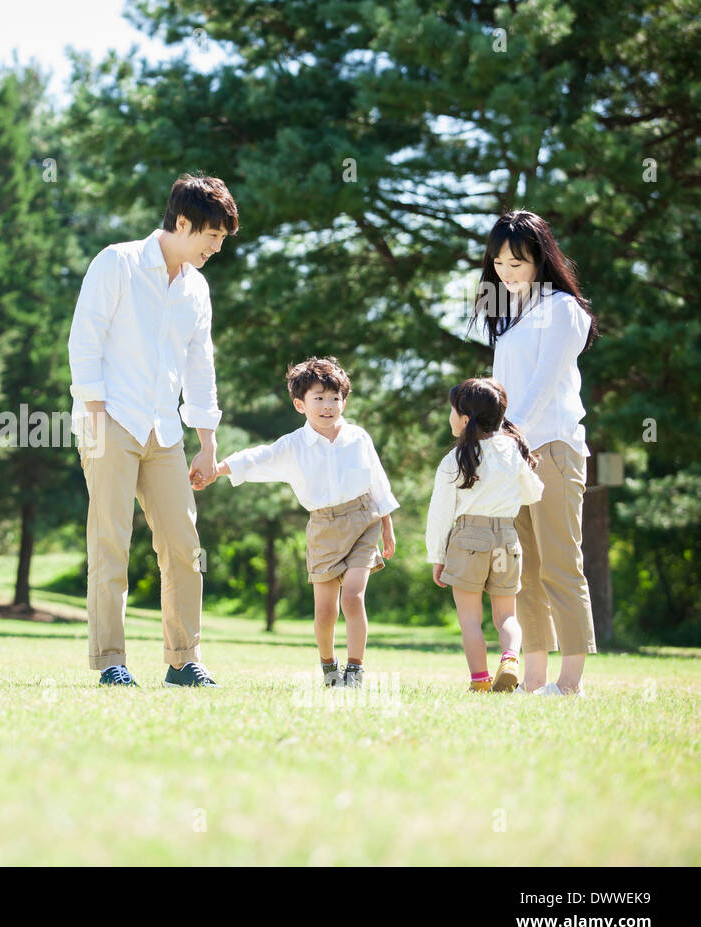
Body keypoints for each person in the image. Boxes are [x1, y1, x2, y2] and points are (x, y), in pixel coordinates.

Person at [67, 173, 238, 687]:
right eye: (212, 236)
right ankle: (111, 661)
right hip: (109, 420)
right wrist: (94, 412)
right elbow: (85, 338)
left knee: (184, 546)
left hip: (164, 431)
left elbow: (200, 366)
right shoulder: (116, 263)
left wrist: (207, 442)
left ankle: (183, 661)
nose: (216, 248)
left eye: (222, 239)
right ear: (183, 222)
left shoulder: (196, 288)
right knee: (111, 543)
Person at [196, 357, 397, 689]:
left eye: (335, 398)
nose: (328, 405)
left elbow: (378, 482)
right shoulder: (293, 445)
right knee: (325, 611)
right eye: (319, 398)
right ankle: (329, 666)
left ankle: (355, 670)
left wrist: (387, 527)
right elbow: (258, 457)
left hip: (364, 521)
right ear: (300, 404)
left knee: (352, 597)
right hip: (323, 528)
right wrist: (217, 470)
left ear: (344, 402)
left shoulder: (358, 438)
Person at [469, 210, 600, 696]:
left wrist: (511, 433)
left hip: (553, 449)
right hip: (513, 453)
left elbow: (545, 381)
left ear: (541, 259)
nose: (506, 273)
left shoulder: (564, 309)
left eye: (517, 263)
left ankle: (570, 683)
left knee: (561, 564)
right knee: (522, 570)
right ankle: (535, 680)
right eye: (499, 263)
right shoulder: (508, 313)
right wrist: (493, 438)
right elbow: (504, 387)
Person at [426, 378, 544, 692]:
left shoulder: (455, 460)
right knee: (506, 615)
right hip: (506, 540)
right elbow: (534, 493)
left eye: (453, 411)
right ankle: (510, 659)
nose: (450, 417)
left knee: (469, 618)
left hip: (468, 541)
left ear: (465, 419)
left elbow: (440, 515)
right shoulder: (511, 453)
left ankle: (480, 681)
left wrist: (437, 556)